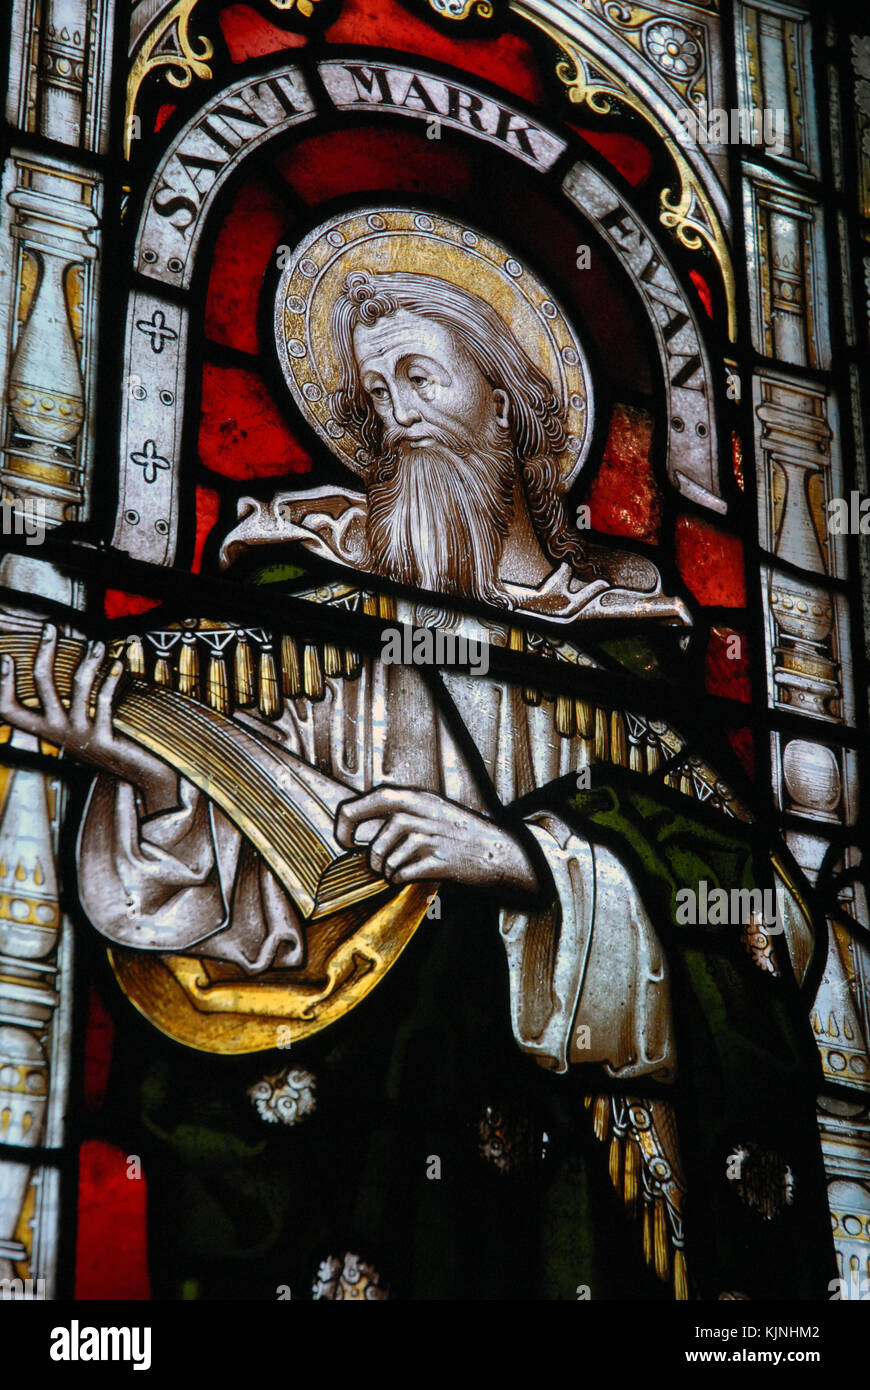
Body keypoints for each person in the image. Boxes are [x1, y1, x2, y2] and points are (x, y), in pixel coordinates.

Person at [0, 270, 834, 1299]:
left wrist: (527, 864)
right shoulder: (300, 604)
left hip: (569, 1176)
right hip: (368, 1151)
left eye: (417, 377)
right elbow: (260, 913)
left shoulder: (622, 658)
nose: (394, 416)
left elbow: (768, 923)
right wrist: (160, 784)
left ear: (508, 401)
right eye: (373, 394)